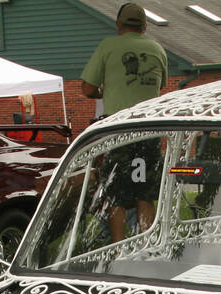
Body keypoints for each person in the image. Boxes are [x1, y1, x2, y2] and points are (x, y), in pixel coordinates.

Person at [81, 4, 169, 241]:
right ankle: (146, 247)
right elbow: (159, 86)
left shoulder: (108, 46)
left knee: (117, 194)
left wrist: (106, 92)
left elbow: (87, 88)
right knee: (144, 192)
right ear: (145, 27)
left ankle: (118, 249)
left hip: (119, 130)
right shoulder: (157, 49)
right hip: (149, 132)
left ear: (118, 24)